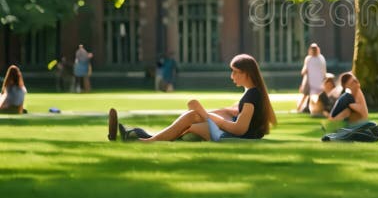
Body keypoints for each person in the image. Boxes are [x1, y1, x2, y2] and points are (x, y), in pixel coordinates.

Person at [108, 53, 277, 142]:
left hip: (237, 137)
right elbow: (229, 111)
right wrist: (203, 114)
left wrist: (207, 115)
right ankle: (137, 134)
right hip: (236, 133)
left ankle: (144, 139)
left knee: (191, 120)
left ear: (246, 73)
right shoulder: (251, 93)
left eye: (235, 72)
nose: (232, 76)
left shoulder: (252, 95)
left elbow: (239, 129)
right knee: (192, 121)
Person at [297, 43, 326, 112]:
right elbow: (304, 70)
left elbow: (323, 71)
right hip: (309, 81)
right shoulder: (308, 59)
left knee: (317, 97)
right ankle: (299, 109)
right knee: (305, 96)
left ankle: (317, 109)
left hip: (318, 82)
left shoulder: (320, 58)